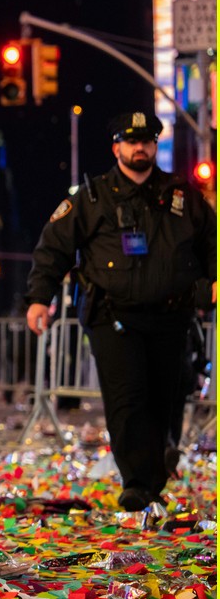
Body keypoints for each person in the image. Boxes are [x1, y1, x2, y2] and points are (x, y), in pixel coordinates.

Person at [26, 112, 216, 512]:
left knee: (166, 396)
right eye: (131, 141)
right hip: (113, 318)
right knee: (128, 398)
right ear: (117, 148)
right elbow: (53, 246)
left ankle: (157, 463)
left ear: (155, 146)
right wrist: (40, 297)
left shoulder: (183, 197)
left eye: (147, 140)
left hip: (170, 316)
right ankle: (136, 484)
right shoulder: (92, 198)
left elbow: (210, 245)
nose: (140, 147)